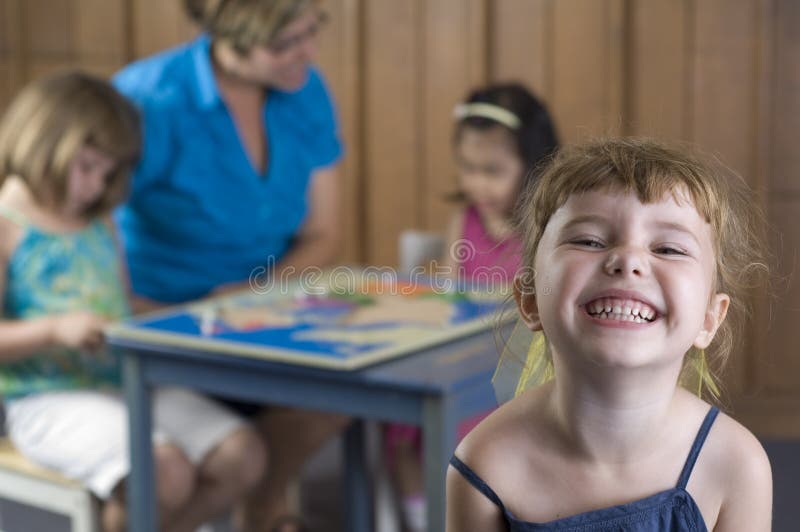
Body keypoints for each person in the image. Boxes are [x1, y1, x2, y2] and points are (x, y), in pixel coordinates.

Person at [446, 138, 773, 531]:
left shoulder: (737, 465)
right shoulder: (484, 465)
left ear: (709, 318)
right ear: (530, 300)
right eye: (589, 241)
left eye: (669, 249)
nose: (628, 260)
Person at [112, 1, 349, 529]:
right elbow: (85, 226)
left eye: (311, 32)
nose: (308, 53)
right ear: (230, 39)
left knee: (343, 394)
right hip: (161, 325)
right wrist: (142, 313)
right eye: (284, 44)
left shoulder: (306, 89)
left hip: (259, 316)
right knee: (220, 458)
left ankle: (261, 508)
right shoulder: (146, 98)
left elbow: (324, 233)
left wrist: (253, 295)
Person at [0, 71, 266, 532]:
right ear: (42, 142)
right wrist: (55, 330)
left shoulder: (98, 222)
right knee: (162, 471)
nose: (94, 186)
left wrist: (189, 317)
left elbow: (121, 306)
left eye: (106, 174)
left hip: (125, 382)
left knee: (241, 455)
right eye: (86, 167)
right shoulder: (8, 224)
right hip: (43, 398)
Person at [386, 83, 559, 532]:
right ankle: (424, 519)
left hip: (516, 375)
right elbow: (449, 296)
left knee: (478, 437)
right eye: (467, 168)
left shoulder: (545, 228)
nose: (477, 183)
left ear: (533, 165)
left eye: (493, 170)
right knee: (401, 426)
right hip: (460, 364)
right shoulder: (463, 219)